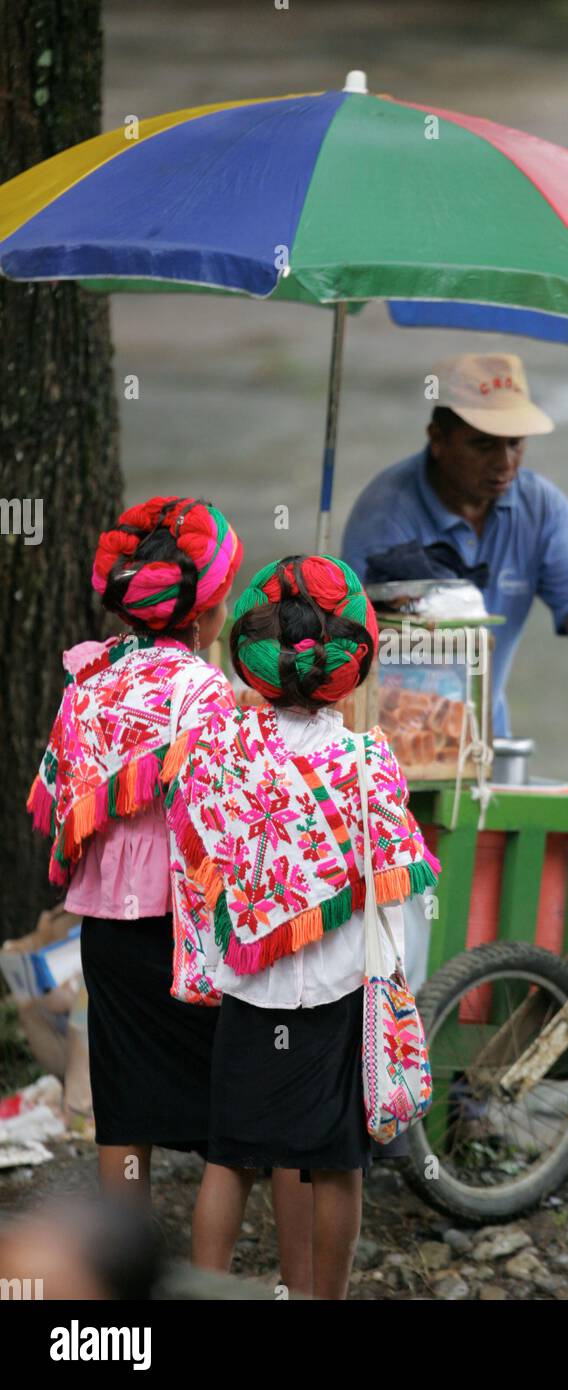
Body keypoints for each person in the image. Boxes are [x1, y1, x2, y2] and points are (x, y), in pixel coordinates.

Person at [164, 555, 439, 1299]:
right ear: (349, 664)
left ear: (254, 662)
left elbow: (197, 863)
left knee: (229, 1159)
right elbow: (394, 887)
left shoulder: (220, 752)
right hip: (339, 994)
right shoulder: (365, 760)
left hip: (250, 995)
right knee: (336, 1165)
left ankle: (203, 1291)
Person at [27, 496, 243, 1202]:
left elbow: (59, 793)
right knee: (223, 1117)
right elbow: (218, 813)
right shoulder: (204, 690)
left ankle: (122, 1269)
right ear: (206, 616)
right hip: (180, 929)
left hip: (106, 930)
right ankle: (211, 1276)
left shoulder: (89, 682)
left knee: (122, 1107)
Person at [341, 352, 568, 737]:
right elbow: (358, 640)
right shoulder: (385, 514)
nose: (504, 462)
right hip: (389, 739)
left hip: (487, 733)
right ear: (438, 440)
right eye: (484, 445)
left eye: (515, 443)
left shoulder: (541, 507)